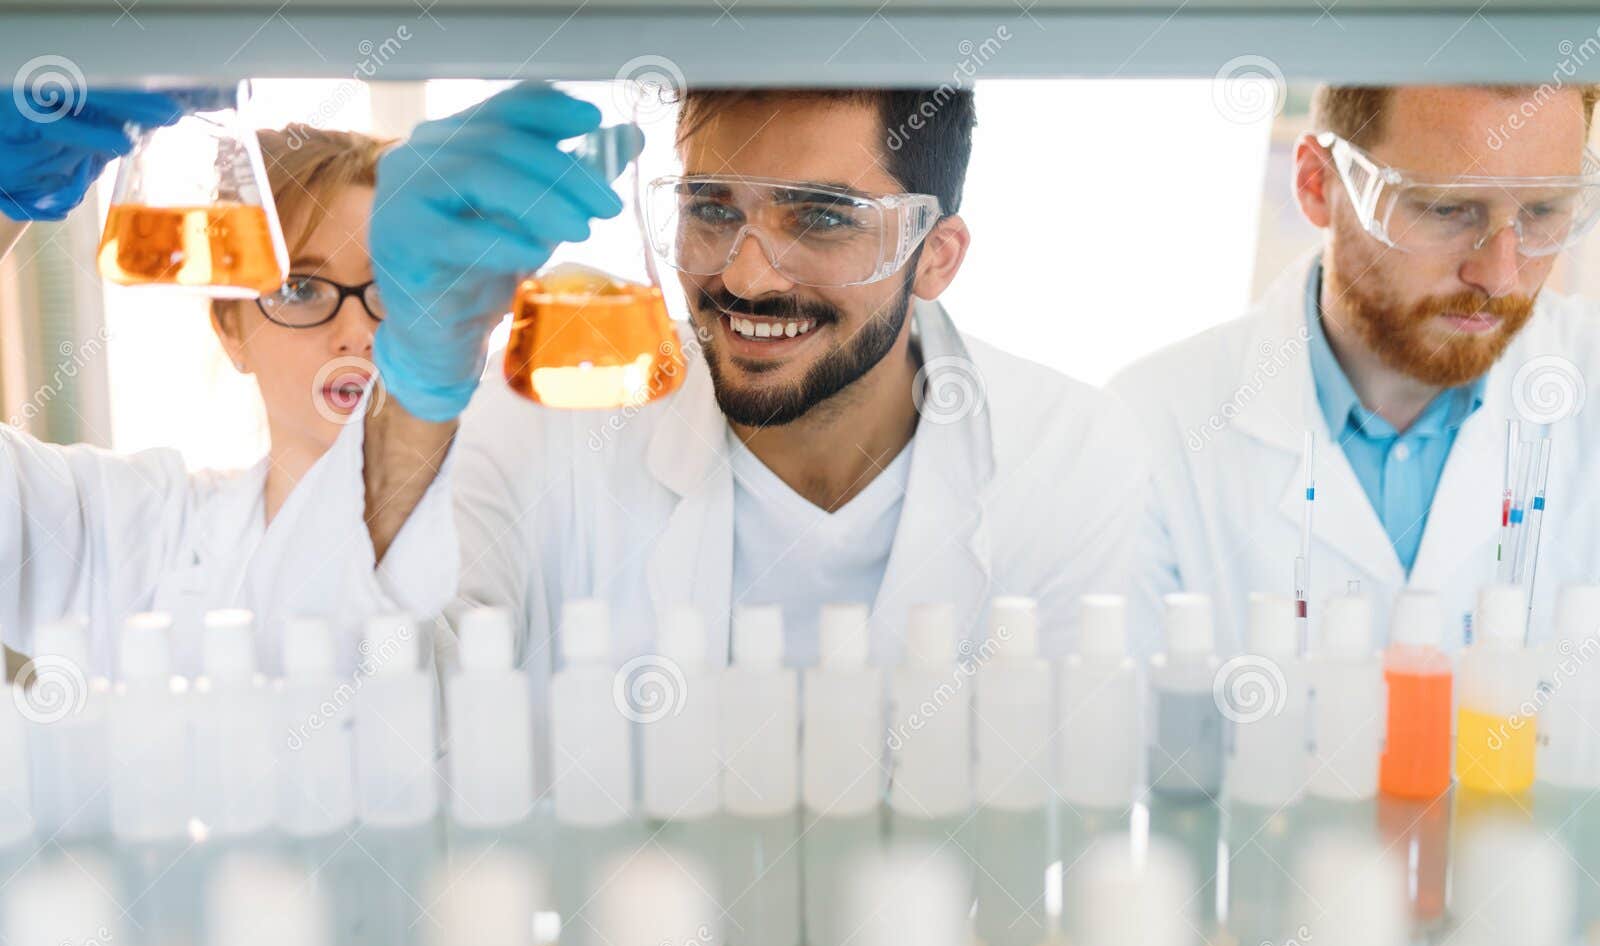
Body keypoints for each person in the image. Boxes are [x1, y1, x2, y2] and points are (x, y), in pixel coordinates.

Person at [361, 82, 1147, 772]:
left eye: (821, 218)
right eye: (711, 209)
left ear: (935, 256)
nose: (744, 274)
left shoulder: (1067, 455)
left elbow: (1065, 817)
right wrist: (419, 385)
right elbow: (384, 719)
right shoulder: (561, 412)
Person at [1114, 83, 1600, 655]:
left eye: (1541, 212)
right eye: (1445, 209)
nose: (1499, 276)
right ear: (1317, 183)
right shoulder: (1148, 430)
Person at [0, 91, 461, 673]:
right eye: (301, 289)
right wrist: (5, 199)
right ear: (231, 329)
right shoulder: (138, 529)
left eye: (393, 290)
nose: (357, 332)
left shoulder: (486, 530)